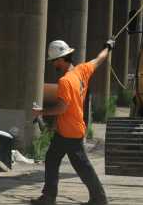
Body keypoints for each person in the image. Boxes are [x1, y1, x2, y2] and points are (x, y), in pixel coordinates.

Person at [31, 37, 115, 205]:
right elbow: (99, 60)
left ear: (61, 59)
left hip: (70, 131)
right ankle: (49, 197)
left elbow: (62, 108)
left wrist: (42, 112)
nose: (53, 64)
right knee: (53, 158)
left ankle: (99, 198)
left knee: (82, 166)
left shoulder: (65, 81)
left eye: (54, 61)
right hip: (69, 129)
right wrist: (108, 46)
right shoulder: (82, 70)